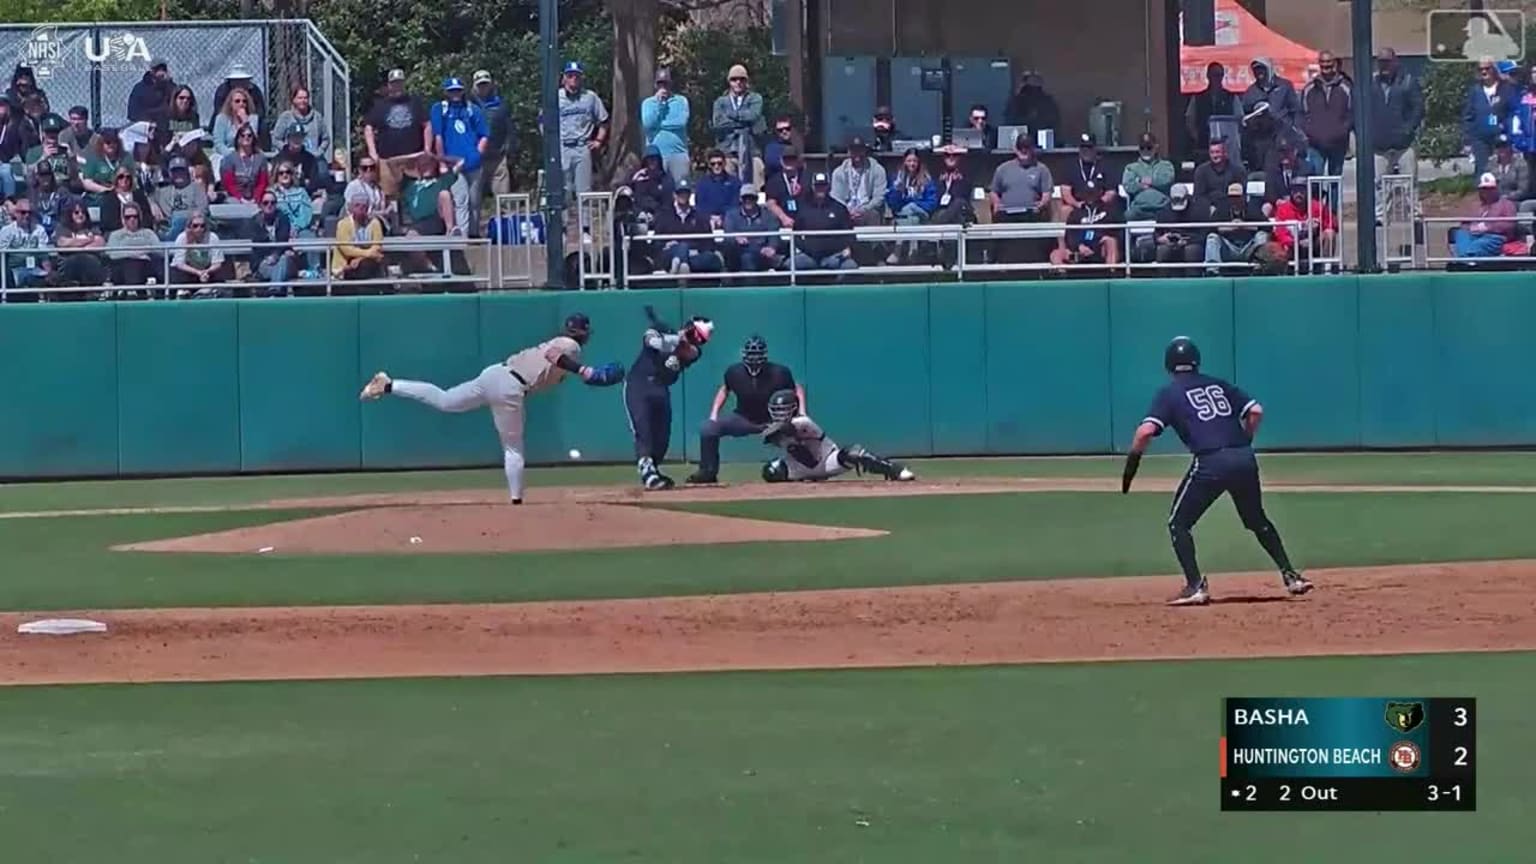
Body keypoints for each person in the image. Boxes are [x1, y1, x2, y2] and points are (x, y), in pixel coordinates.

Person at [1121, 337, 1311, 606]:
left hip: (1211, 462)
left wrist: (1131, 466)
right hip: (1244, 458)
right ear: (1196, 361)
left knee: (1178, 523)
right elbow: (1255, 411)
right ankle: (1292, 576)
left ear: (1169, 366)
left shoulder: (1169, 393)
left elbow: (1145, 432)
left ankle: (1195, 586)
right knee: (1257, 520)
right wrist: (1244, 441)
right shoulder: (1219, 385)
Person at [361, 315, 623, 503]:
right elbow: (554, 356)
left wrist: (586, 376)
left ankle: (389, 385)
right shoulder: (570, 345)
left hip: (495, 374)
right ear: (582, 333)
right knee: (513, 447)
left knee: (445, 400)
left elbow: (554, 364)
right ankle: (516, 501)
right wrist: (586, 371)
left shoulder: (564, 346)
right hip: (510, 387)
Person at [686, 335, 802, 485]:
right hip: (743, 418)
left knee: (801, 428)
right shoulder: (734, 372)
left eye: (758, 354)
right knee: (709, 428)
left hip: (773, 420)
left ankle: (806, 468)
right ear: (744, 354)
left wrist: (800, 413)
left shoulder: (779, 372)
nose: (754, 358)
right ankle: (708, 472)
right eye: (751, 354)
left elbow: (796, 389)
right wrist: (713, 414)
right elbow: (724, 390)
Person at [625, 313, 714, 490]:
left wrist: (680, 344)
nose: (696, 341)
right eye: (694, 335)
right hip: (639, 384)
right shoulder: (662, 331)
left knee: (662, 438)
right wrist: (674, 339)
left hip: (660, 388)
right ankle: (647, 473)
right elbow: (650, 341)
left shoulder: (694, 352)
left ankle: (653, 469)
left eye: (701, 339)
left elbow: (686, 355)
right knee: (644, 430)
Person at [760, 388, 914, 483]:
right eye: (777, 410)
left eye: (783, 409)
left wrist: (768, 429)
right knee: (769, 472)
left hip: (827, 461)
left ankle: (895, 470)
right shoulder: (774, 428)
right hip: (798, 467)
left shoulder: (804, 422)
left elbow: (787, 428)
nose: (779, 413)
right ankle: (808, 478)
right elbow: (770, 436)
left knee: (853, 452)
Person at [430, 77, 490, 236]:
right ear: (446, 92)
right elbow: (438, 137)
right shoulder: (440, 109)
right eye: (452, 91)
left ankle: (474, 233)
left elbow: (484, 134)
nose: (455, 94)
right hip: (453, 163)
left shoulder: (473, 109)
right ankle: (462, 236)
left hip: (474, 163)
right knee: (461, 199)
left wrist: (478, 153)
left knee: (475, 201)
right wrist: (442, 162)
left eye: (458, 90)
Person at [365, 69, 432, 198]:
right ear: (389, 85)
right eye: (394, 83)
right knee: (390, 197)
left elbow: (427, 125)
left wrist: (427, 149)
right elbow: (368, 128)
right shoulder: (380, 105)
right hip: (388, 161)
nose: (397, 87)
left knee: (416, 196)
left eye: (399, 83)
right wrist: (373, 152)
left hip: (413, 159)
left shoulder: (415, 102)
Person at [989, 135, 1054, 264]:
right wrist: (996, 203)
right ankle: (1001, 263)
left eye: (1027, 148)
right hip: (1007, 214)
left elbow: (1047, 194)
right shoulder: (1003, 169)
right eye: (1020, 148)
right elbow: (993, 192)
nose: (1024, 151)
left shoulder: (1041, 169)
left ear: (1032, 149)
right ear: (1015, 149)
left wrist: (1041, 204)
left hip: (1032, 214)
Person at [554, 61, 608, 196]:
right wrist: (550, 144)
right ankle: (564, 218)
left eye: (577, 76)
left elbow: (604, 121)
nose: (574, 79)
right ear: (564, 78)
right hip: (562, 147)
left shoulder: (590, 97)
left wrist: (598, 141)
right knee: (563, 191)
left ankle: (584, 217)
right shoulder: (555, 97)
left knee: (584, 193)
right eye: (570, 75)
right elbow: (543, 122)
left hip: (582, 147)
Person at [1240, 58, 1300, 176]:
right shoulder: (1251, 92)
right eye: (1256, 70)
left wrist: (1294, 131)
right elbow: (1244, 116)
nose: (1259, 72)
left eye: (1262, 69)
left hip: (1283, 137)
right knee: (1264, 173)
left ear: (1269, 69)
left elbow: (1296, 110)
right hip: (1261, 141)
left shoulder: (1285, 86)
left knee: (1282, 172)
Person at [711, 64, 765, 185]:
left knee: (757, 181)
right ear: (729, 82)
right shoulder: (720, 102)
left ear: (747, 81)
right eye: (734, 79)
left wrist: (731, 114)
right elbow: (719, 124)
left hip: (752, 151)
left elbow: (754, 116)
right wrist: (743, 123)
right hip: (727, 151)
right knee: (727, 187)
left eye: (742, 79)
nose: (738, 82)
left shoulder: (755, 98)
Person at [1300, 51, 1352, 176]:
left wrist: (1343, 130)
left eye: (1328, 62)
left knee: (1335, 182)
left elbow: (1352, 113)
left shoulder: (1346, 86)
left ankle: (1333, 197)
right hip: (1315, 145)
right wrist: (1308, 131)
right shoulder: (1309, 88)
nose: (1326, 65)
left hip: (1338, 144)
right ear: (1319, 64)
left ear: (1334, 64)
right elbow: (1301, 113)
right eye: (1323, 62)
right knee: (1316, 179)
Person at [792, 172, 857, 272]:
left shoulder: (839, 208)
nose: (820, 189)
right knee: (790, 264)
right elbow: (795, 233)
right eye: (817, 186)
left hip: (834, 256)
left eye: (823, 185)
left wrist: (842, 249)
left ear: (828, 186)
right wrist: (805, 248)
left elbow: (849, 234)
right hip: (809, 256)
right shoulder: (803, 208)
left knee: (850, 266)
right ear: (812, 187)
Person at [653, 179, 721, 275]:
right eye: (680, 193)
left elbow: (708, 242)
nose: (683, 196)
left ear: (690, 195)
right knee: (680, 248)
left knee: (711, 259)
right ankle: (681, 264)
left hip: (694, 254)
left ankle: (682, 265)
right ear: (674, 195)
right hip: (670, 254)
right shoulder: (664, 216)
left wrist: (695, 250)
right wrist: (667, 245)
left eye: (685, 193)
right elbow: (656, 242)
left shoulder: (699, 216)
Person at [1464, 56, 1519, 174]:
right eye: (1480, 69)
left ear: (1494, 69)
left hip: (1502, 138)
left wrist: (1510, 133)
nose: (1484, 72)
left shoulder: (1506, 89)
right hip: (1481, 139)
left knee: (1504, 173)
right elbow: (1468, 117)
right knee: (1483, 173)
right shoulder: (1475, 91)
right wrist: (1467, 141)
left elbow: (1513, 112)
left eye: (1487, 68)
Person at [884, 148, 938, 264]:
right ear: (904, 162)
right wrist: (897, 190)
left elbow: (931, 203)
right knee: (912, 218)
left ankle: (897, 252)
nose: (912, 164)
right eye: (909, 161)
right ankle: (913, 252)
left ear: (919, 163)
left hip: (922, 213)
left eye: (915, 161)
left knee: (912, 211)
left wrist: (913, 205)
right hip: (903, 215)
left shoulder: (927, 179)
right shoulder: (897, 178)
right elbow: (893, 204)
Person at [1272, 177, 1338, 270]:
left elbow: (1334, 224)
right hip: (1292, 245)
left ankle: (1327, 269)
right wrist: (1294, 242)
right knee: (1279, 247)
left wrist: (1319, 225)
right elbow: (1279, 232)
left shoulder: (1317, 206)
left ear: (1307, 191)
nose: (1299, 194)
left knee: (1330, 234)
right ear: (1291, 192)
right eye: (1296, 191)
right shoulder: (1283, 209)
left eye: (1302, 191)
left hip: (1314, 243)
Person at [1134, 185, 1203, 274]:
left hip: (1191, 242)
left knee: (1191, 251)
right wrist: (1161, 239)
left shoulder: (1197, 210)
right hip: (1169, 244)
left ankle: (1193, 281)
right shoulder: (1164, 211)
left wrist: (1187, 240)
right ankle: (1162, 282)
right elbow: (1157, 233)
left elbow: (1203, 234)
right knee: (1162, 250)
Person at [271, 161, 322, 278]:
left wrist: (297, 227)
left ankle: (315, 269)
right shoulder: (272, 193)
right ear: (276, 175)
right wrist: (286, 229)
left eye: (288, 172)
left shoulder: (301, 192)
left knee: (310, 237)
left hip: (300, 229)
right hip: (280, 229)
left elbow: (307, 213)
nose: (285, 175)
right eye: (281, 173)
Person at [640, 68, 691, 185]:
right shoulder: (648, 103)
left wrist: (659, 126)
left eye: (666, 83)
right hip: (655, 156)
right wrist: (659, 105)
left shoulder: (681, 101)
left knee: (681, 189)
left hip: (678, 154)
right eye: (660, 83)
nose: (663, 87)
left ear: (671, 84)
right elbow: (648, 124)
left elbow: (681, 122)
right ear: (655, 85)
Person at [1050, 181, 1117, 268]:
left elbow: (1112, 231)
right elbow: (1070, 234)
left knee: (1110, 242)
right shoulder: (1076, 213)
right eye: (1088, 193)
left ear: (1100, 193)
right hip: (1079, 250)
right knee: (1055, 255)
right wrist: (1079, 246)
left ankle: (1111, 276)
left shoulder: (1108, 210)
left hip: (1098, 248)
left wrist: (1095, 243)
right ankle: (1063, 277)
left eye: (1093, 193)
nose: (1090, 196)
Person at [471, 70, 515, 197]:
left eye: (485, 84)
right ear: (474, 86)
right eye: (480, 85)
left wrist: (508, 147)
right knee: (473, 199)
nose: (483, 87)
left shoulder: (501, 104)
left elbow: (509, 128)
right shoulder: (467, 105)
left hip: (498, 156)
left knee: (503, 198)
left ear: (491, 85)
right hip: (475, 158)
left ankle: (504, 216)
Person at [1453, 172, 1518, 258]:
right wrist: (1471, 228)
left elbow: (1510, 224)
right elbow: (1464, 223)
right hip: (1473, 235)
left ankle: (1465, 259)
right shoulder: (1475, 206)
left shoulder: (1507, 204)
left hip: (1494, 237)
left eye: (1490, 188)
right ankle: (1467, 258)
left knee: (1479, 244)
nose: (1487, 191)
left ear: (1496, 189)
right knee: (1461, 234)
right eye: (1484, 188)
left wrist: (1488, 227)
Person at [1205, 182, 1268, 271]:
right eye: (1232, 197)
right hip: (1229, 248)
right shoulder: (1222, 209)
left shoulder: (1252, 208)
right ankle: (1212, 270)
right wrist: (1229, 228)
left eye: (1237, 197)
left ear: (1243, 197)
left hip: (1248, 249)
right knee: (1212, 237)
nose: (1234, 200)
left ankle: (1259, 267)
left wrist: (1244, 226)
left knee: (1262, 235)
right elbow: (1210, 229)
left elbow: (1267, 227)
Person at [244, 190, 296, 296]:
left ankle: (274, 291)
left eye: (273, 203)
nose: (269, 205)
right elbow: (258, 245)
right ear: (260, 205)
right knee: (281, 261)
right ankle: (276, 293)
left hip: (281, 260)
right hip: (263, 261)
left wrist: (276, 255)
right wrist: (273, 255)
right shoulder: (254, 222)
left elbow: (283, 240)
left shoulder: (283, 219)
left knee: (283, 260)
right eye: (266, 203)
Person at [1185, 62, 1239, 161]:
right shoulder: (1197, 98)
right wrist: (1196, 136)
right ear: (1208, 76)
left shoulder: (1232, 97)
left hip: (1227, 146)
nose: (1217, 78)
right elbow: (1189, 119)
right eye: (1214, 75)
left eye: (1219, 75)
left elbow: (1239, 119)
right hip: (1204, 145)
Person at [170, 210, 234, 293]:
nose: (199, 229)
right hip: (187, 271)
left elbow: (217, 263)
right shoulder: (182, 238)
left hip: (207, 270)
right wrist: (198, 272)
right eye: (195, 226)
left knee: (224, 271)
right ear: (190, 226)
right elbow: (180, 264)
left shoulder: (213, 237)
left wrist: (206, 272)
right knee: (177, 274)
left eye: (202, 226)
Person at [721, 184, 781, 272]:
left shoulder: (768, 216)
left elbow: (774, 235)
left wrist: (772, 247)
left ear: (756, 199)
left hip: (761, 256)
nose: (748, 201)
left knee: (749, 259)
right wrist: (736, 238)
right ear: (740, 199)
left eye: (751, 198)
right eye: (745, 198)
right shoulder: (731, 215)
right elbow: (728, 234)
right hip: (737, 254)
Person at [830, 137, 888, 227]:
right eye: (854, 151)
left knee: (873, 215)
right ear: (849, 152)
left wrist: (863, 210)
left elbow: (879, 197)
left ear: (865, 151)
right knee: (835, 215)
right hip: (846, 210)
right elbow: (836, 197)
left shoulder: (877, 170)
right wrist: (847, 210)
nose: (857, 154)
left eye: (860, 150)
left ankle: (873, 241)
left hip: (868, 209)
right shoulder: (839, 172)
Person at [332, 191, 388, 284]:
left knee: (366, 265)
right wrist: (367, 253)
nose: (361, 209)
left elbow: (377, 246)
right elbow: (346, 249)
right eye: (357, 205)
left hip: (367, 263)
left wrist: (360, 259)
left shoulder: (375, 223)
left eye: (364, 206)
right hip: (346, 265)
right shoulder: (343, 224)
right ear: (351, 208)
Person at [0, 197, 53, 295]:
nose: (27, 215)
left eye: (30, 212)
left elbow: (44, 256)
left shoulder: (39, 230)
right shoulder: (7, 231)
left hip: (35, 269)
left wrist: (49, 273)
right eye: (23, 212)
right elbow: (2, 257)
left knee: (50, 277)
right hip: (13, 270)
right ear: (16, 213)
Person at [105, 202, 162, 293]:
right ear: (123, 219)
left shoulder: (148, 233)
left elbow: (159, 250)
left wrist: (129, 253)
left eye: (135, 216)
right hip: (122, 268)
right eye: (128, 217)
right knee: (130, 264)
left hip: (145, 267)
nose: (132, 219)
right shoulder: (116, 235)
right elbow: (112, 254)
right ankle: (133, 291)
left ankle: (134, 291)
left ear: (139, 217)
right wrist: (139, 253)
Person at [51, 199, 107, 291]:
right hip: (68, 266)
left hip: (91, 266)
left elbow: (100, 242)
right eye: (76, 212)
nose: (80, 215)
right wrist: (89, 240)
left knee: (86, 260)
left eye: (83, 212)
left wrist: (75, 246)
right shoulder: (63, 228)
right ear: (70, 214)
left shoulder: (91, 228)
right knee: (78, 259)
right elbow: (62, 243)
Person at [1122, 132, 1175, 222]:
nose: (1146, 150)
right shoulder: (1131, 167)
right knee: (1127, 216)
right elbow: (1128, 186)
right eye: (1142, 148)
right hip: (1139, 209)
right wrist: (1141, 185)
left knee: (1173, 216)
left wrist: (1150, 181)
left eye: (1149, 147)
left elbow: (1168, 180)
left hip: (1162, 207)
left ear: (1156, 147)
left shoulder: (1166, 165)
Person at [153, 156, 210, 239]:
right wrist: (153, 204)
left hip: (193, 229)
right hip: (168, 228)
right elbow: (146, 198)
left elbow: (202, 210)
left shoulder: (197, 189)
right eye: (175, 171)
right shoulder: (162, 191)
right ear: (170, 173)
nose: (178, 174)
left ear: (187, 171)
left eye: (181, 170)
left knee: (179, 219)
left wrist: (184, 217)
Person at [272, 86, 331, 162]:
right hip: (290, 157)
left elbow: (325, 139)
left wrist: (319, 152)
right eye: (300, 98)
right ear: (294, 100)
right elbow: (276, 139)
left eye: (305, 98)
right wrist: (287, 149)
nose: (303, 101)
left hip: (313, 157)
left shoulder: (317, 117)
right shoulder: (285, 117)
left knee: (322, 171)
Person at [1191, 140, 1246, 217]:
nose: (1215, 155)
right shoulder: (1201, 171)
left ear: (1225, 153)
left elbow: (1240, 195)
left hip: (1230, 211)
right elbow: (1199, 196)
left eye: (1217, 152)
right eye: (1212, 152)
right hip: (1208, 211)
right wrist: (1209, 208)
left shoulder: (1237, 171)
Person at [209, 65, 266, 137]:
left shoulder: (255, 90)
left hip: (249, 118)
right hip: (228, 119)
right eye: (237, 80)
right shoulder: (222, 90)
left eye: (242, 80)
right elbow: (219, 109)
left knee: (263, 126)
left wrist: (248, 118)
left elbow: (260, 110)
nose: (240, 83)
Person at [99, 165, 157, 234]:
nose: (125, 179)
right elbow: (106, 222)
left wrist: (136, 228)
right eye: (121, 177)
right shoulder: (108, 198)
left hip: (139, 232)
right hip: (117, 233)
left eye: (128, 177)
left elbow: (147, 218)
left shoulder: (139, 196)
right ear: (115, 179)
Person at [1061, 133, 1111, 212]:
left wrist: (1099, 203)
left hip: (1100, 205)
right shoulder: (1071, 167)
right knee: (1065, 210)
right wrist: (1077, 204)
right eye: (1083, 147)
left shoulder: (1105, 166)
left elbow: (1111, 192)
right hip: (1078, 205)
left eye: (1089, 147)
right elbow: (1065, 192)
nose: (1086, 150)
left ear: (1095, 148)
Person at [220, 124, 269, 203]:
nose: (246, 138)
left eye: (249, 135)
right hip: (234, 196)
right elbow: (229, 184)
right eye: (243, 135)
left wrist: (255, 198)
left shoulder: (260, 158)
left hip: (256, 196)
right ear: (238, 139)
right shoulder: (230, 159)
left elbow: (262, 182)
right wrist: (241, 199)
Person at [80, 129, 130, 205]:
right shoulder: (94, 159)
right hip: (100, 196)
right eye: (108, 142)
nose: (111, 145)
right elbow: (87, 183)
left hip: (123, 194)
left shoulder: (125, 158)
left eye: (114, 142)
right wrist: (106, 190)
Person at [763, 145, 806, 228]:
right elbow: (771, 203)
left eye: (792, 159)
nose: (789, 161)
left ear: (798, 160)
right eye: (786, 159)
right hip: (781, 223)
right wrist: (783, 218)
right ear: (781, 160)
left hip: (804, 223)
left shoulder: (806, 178)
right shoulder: (773, 181)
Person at [1005, 70, 1060, 135]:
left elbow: (1053, 121)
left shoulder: (1047, 100)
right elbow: (1010, 120)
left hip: (1043, 134)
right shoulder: (1017, 100)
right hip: (1021, 135)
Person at [693, 149, 742, 221]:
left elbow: (735, 204)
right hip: (707, 221)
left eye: (719, 163)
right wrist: (710, 217)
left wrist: (722, 217)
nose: (716, 166)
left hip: (730, 220)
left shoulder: (735, 182)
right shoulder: (702, 183)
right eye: (713, 164)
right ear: (709, 165)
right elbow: (700, 205)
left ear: (724, 163)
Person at [212, 88, 260, 157]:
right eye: (237, 101)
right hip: (226, 154)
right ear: (231, 103)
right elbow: (218, 143)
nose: (241, 104)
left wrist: (246, 123)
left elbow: (254, 142)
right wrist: (234, 156)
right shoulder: (222, 118)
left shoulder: (253, 118)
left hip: (248, 153)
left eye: (244, 101)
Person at [128, 60, 175, 124]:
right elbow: (133, 113)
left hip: (166, 124)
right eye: (158, 69)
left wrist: (169, 82)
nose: (161, 72)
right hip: (145, 124)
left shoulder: (171, 87)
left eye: (163, 69)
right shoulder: (140, 88)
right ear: (151, 71)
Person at [763, 115, 796, 181]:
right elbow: (772, 163)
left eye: (787, 128)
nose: (784, 131)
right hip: (777, 184)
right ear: (776, 132)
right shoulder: (771, 148)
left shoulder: (794, 146)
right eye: (780, 130)